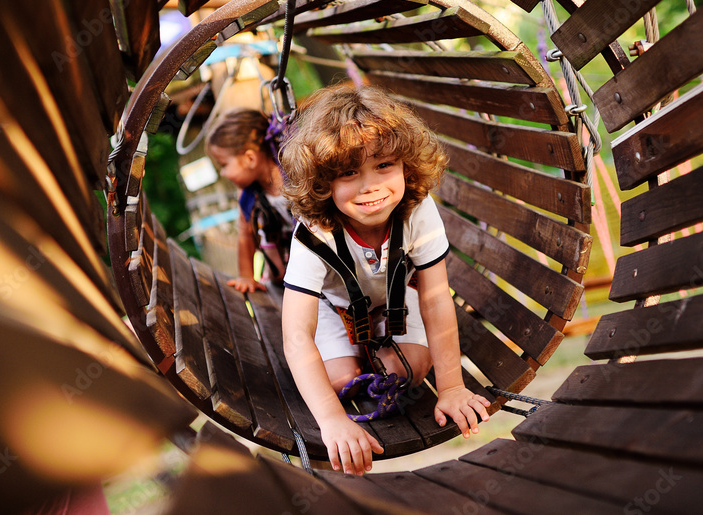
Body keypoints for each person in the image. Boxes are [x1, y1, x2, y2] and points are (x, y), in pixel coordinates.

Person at [279, 83, 490, 476]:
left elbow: (435, 299)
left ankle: (377, 354)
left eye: (383, 165)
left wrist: (452, 388)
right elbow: (296, 336)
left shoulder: (416, 210)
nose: (369, 185)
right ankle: (354, 356)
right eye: (348, 172)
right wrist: (331, 420)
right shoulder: (315, 234)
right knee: (341, 380)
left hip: (393, 305)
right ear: (323, 183)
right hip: (337, 308)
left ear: (406, 167)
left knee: (411, 368)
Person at [206, 108, 293, 293]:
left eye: (224, 165)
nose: (223, 173)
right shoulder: (248, 194)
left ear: (250, 158)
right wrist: (246, 276)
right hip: (283, 277)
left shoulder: (291, 176)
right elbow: (245, 234)